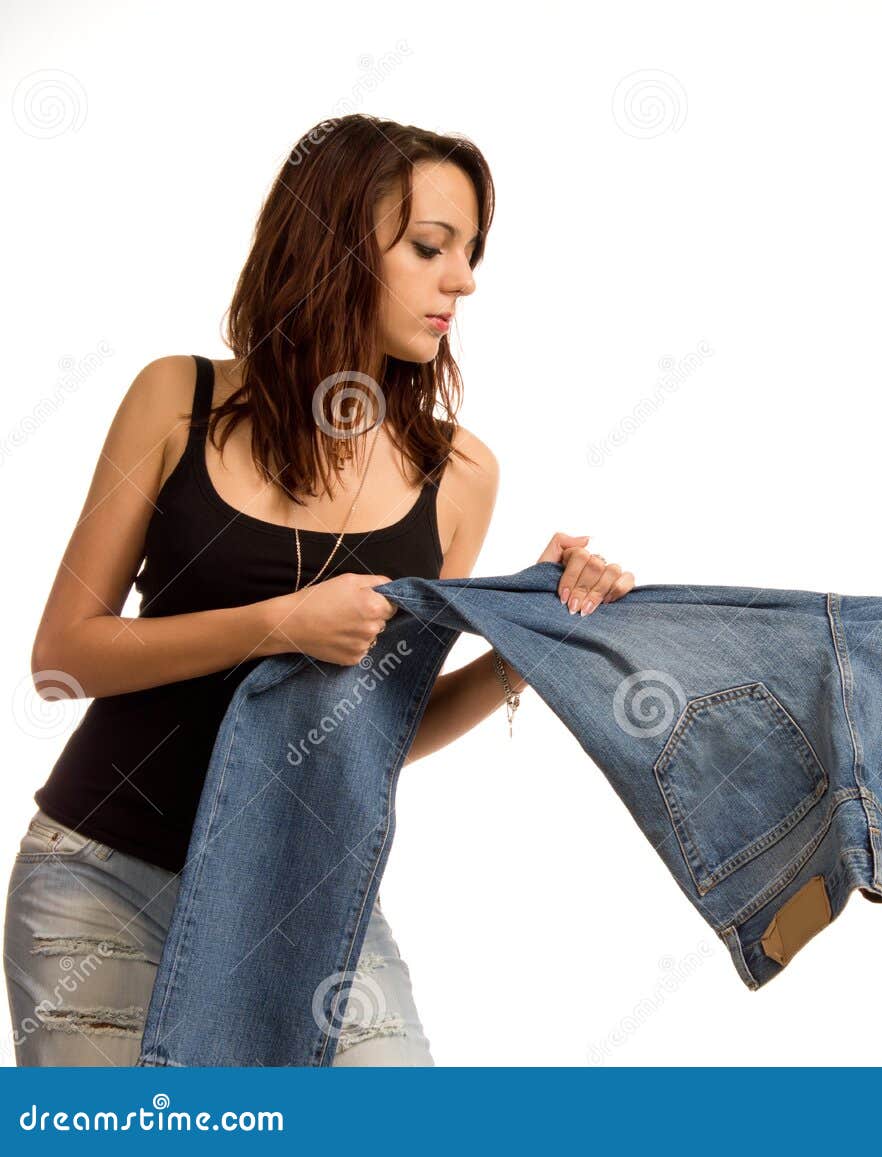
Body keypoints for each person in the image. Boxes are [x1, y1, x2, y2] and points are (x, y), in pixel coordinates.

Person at [6, 114, 635, 1065]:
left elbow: (378, 730)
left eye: (469, 253)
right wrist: (277, 623)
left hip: (304, 896)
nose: (462, 280)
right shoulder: (177, 401)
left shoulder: (457, 472)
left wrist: (522, 648)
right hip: (102, 883)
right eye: (431, 248)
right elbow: (64, 657)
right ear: (336, 243)